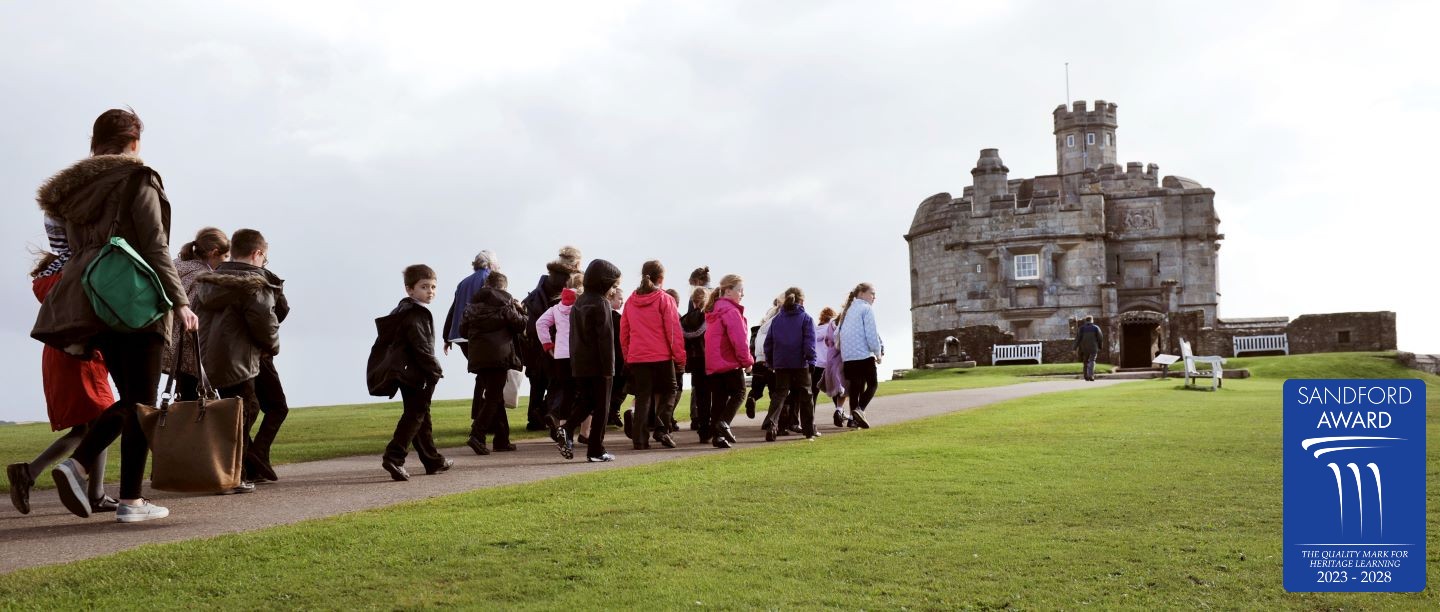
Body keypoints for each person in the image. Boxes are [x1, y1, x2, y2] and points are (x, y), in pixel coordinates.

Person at [34, 108, 197, 523]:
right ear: (134, 142)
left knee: (132, 399)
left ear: (95, 143)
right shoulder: (138, 178)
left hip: (95, 301)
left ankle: (126, 497)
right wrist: (180, 301)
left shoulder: (71, 192)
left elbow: (73, 250)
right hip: (137, 299)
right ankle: (94, 475)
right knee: (141, 402)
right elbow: (155, 244)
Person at [6, 238, 115, 515]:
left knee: (86, 428)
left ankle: (32, 474)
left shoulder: (51, 283)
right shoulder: (75, 277)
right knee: (103, 422)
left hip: (58, 351)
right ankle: (94, 494)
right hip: (80, 353)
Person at [192, 228, 281, 493]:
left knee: (236, 414)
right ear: (257, 253)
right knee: (244, 413)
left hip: (212, 358)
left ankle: (236, 471)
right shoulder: (254, 283)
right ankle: (232, 475)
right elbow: (264, 323)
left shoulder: (210, 281)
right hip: (240, 359)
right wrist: (273, 347)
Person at [375, 265, 452, 481]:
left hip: (406, 372)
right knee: (415, 415)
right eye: (424, 287)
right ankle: (394, 456)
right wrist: (435, 370)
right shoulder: (415, 313)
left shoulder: (403, 309)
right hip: (418, 372)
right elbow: (421, 347)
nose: (430, 291)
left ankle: (432, 460)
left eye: (433, 287)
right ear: (409, 289)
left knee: (421, 415)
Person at [561, 259, 623, 462]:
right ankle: (596, 449)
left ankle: (567, 428)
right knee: (602, 407)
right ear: (604, 282)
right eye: (613, 285)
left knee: (587, 401)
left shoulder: (579, 302)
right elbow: (605, 339)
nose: (614, 289)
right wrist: (610, 369)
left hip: (580, 362)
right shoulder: (602, 303)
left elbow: (574, 336)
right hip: (600, 364)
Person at [619, 261, 685, 450]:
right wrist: (680, 357)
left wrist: (627, 355)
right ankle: (661, 428)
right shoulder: (665, 299)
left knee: (643, 396)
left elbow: (624, 332)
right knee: (670, 390)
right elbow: (673, 332)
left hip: (638, 356)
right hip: (661, 355)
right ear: (661, 278)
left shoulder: (630, 301)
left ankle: (640, 439)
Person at [460, 272, 525, 455]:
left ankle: (502, 440)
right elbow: (520, 325)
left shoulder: (471, 306)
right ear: (503, 287)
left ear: (486, 285)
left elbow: (463, 331)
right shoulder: (506, 305)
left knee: (495, 397)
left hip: (478, 356)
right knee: (493, 398)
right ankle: (477, 434)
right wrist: (520, 310)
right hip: (498, 356)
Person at [162, 227, 229, 401]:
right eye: (225, 256)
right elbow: (193, 312)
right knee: (193, 400)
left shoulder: (177, 264)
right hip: (189, 349)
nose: (226, 262)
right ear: (214, 253)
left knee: (184, 398)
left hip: (167, 341)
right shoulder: (202, 276)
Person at [521, 247, 581, 431]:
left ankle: (534, 419)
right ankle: (552, 414)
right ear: (576, 263)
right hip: (560, 342)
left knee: (537, 383)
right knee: (561, 383)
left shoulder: (542, 285)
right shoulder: (572, 283)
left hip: (535, 342)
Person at [703, 274, 753, 449]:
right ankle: (724, 423)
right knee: (740, 393)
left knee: (719, 399)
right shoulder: (731, 311)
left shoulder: (714, 310)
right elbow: (739, 340)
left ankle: (718, 437)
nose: (742, 294)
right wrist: (747, 361)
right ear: (728, 291)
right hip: (728, 361)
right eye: (740, 290)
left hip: (714, 363)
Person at [763, 288, 817, 441]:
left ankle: (771, 424)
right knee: (806, 395)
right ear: (802, 301)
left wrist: (771, 361)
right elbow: (809, 343)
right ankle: (808, 429)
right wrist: (811, 360)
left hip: (781, 362)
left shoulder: (776, 319)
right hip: (800, 362)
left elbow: (768, 343)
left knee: (780, 394)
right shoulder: (806, 318)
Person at [536, 273, 583, 441]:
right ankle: (580, 430)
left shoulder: (556, 308)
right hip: (579, 354)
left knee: (567, 393)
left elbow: (540, 323)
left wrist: (548, 344)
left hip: (561, 355)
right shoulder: (582, 305)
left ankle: (563, 429)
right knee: (585, 394)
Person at [837, 283, 883, 429]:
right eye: (872, 293)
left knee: (855, 388)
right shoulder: (866, 308)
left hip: (848, 357)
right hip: (863, 355)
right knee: (873, 384)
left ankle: (852, 420)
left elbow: (837, 333)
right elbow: (871, 334)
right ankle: (859, 410)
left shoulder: (847, 310)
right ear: (862, 293)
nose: (874, 297)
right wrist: (878, 353)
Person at [744, 296, 783, 420]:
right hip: (771, 363)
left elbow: (752, 346)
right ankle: (771, 419)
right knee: (774, 392)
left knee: (756, 389)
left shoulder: (759, 329)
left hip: (758, 362)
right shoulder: (777, 323)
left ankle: (751, 398)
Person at [680, 287, 710, 442]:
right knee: (714, 395)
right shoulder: (709, 317)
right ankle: (713, 427)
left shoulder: (684, 320)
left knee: (700, 396)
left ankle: (703, 429)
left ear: (693, 302)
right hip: (708, 359)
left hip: (694, 360)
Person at [811, 306, 847, 427]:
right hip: (828, 364)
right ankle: (839, 412)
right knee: (837, 391)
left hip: (815, 364)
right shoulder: (831, 329)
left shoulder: (814, 330)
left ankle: (810, 420)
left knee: (813, 394)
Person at [1075, 315, 1104, 381]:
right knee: (1092, 360)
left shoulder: (1081, 328)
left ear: (1086, 320)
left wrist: (1074, 348)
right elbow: (1100, 338)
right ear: (1092, 320)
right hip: (1093, 347)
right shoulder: (1096, 328)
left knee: (1085, 361)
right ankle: (1091, 375)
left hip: (1084, 348)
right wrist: (1100, 346)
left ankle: (1086, 376)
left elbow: (1078, 339)